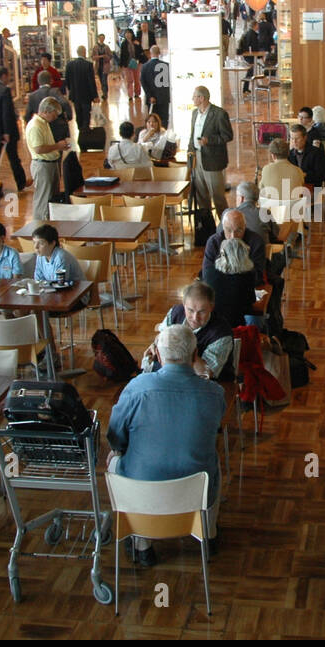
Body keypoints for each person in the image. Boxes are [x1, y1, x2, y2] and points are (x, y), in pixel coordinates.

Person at [108, 324, 226, 566]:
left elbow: (115, 435)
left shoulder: (137, 388)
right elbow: (213, 428)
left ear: (159, 356)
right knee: (214, 461)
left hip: (143, 491)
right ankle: (208, 534)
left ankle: (142, 545)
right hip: (196, 491)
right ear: (195, 356)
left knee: (113, 460)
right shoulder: (214, 393)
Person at [144, 281, 234, 380]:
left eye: (202, 311)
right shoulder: (175, 312)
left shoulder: (221, 333)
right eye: (190, 310)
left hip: (210, 384)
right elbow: (162, 336)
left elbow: (206, 372)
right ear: (184, 305)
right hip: (176, 374)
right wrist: (156, 344)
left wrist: (178, 347)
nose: (195, 318)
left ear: (211, 307)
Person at [188, 86, 233, 220]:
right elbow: (192, 135)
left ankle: (226, 224)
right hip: (197, 157)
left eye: (194, 96)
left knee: (217, 196)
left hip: (213, 159)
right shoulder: (194, 113)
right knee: (201, 195)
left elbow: (227, 136)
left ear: (202, 98)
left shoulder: (219, 114)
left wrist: (210, 140)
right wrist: (190, 151)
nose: (192, 99)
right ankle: (207, 225)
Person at [24, 96, 71, 222]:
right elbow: (38, 149)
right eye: (54, 114)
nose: (55, 118)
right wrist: (58, 146)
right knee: (43, 199)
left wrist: (59, 147)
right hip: (43, 166)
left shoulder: (44, 123)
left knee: (51, 197)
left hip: (50, 163)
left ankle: (49, 222)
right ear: (46, 111)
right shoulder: (35, 126)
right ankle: (41, 224)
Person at [202, 237, 263, 330]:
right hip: (236, 326)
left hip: (210, 323)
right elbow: (249, 303)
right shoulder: (248, 276)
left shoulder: (209, 272)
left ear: (222, 254)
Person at [64, 45, 98, 133]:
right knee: (86, 113)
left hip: (75, 95)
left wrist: (71, 90)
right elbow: (91, 82)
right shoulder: (88, 65)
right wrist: (95, 95)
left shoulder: (69, 65)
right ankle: (86, 129)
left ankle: (80, 129)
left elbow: (67, 81)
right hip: (86, 95)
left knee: (78, 112)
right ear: (84, 52)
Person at [260, 137, 305, 203]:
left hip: (272, 211)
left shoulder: (266, 169)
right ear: (288, 153)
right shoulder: (298, 171)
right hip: (293, 211)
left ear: (273, 155)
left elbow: (262, 190)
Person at [288, 124, 325, 189]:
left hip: (312, 188)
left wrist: (305, 175)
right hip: (295, 188)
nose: (294, 141)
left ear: (305, 137)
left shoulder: (317, 153)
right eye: (292, 138)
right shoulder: (289, 154)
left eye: (297, 138)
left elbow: (324, 175)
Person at [140, 44, 171, 125]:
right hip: (164, 96)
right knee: (164, 119)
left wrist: (150, 96)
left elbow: (143, 82)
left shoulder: (145, 66)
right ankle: (163, 134)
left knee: (153, 119)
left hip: (152, 98)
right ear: (159, 53)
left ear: (150, 53)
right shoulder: (167, 65)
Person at [118, 29, 143, 103]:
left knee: (137, 79)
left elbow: (140, 52)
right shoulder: (124, 44)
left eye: (129, 33)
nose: (128, 35)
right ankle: (130, 95)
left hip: (137, 63)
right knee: (129, 80)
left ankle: (137, 93)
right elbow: (122, 55)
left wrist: (138, 45)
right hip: (127, 63)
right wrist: (121, 65)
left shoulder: (136, 42)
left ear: (132, 34)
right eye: (126, 33)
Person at [93, 32, 114, 100]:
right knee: (101, 80)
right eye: (100, 38)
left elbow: (110, 55)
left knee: (104, 79)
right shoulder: (95, 47)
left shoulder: (106, 47)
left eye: (103, 38)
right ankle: (104, 91)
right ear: (98, 38)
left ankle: (105, 93)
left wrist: (106, 57)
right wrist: (100, 56)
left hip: (105, 66)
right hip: (98, 66)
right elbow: (93, 57)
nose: (102, 39)